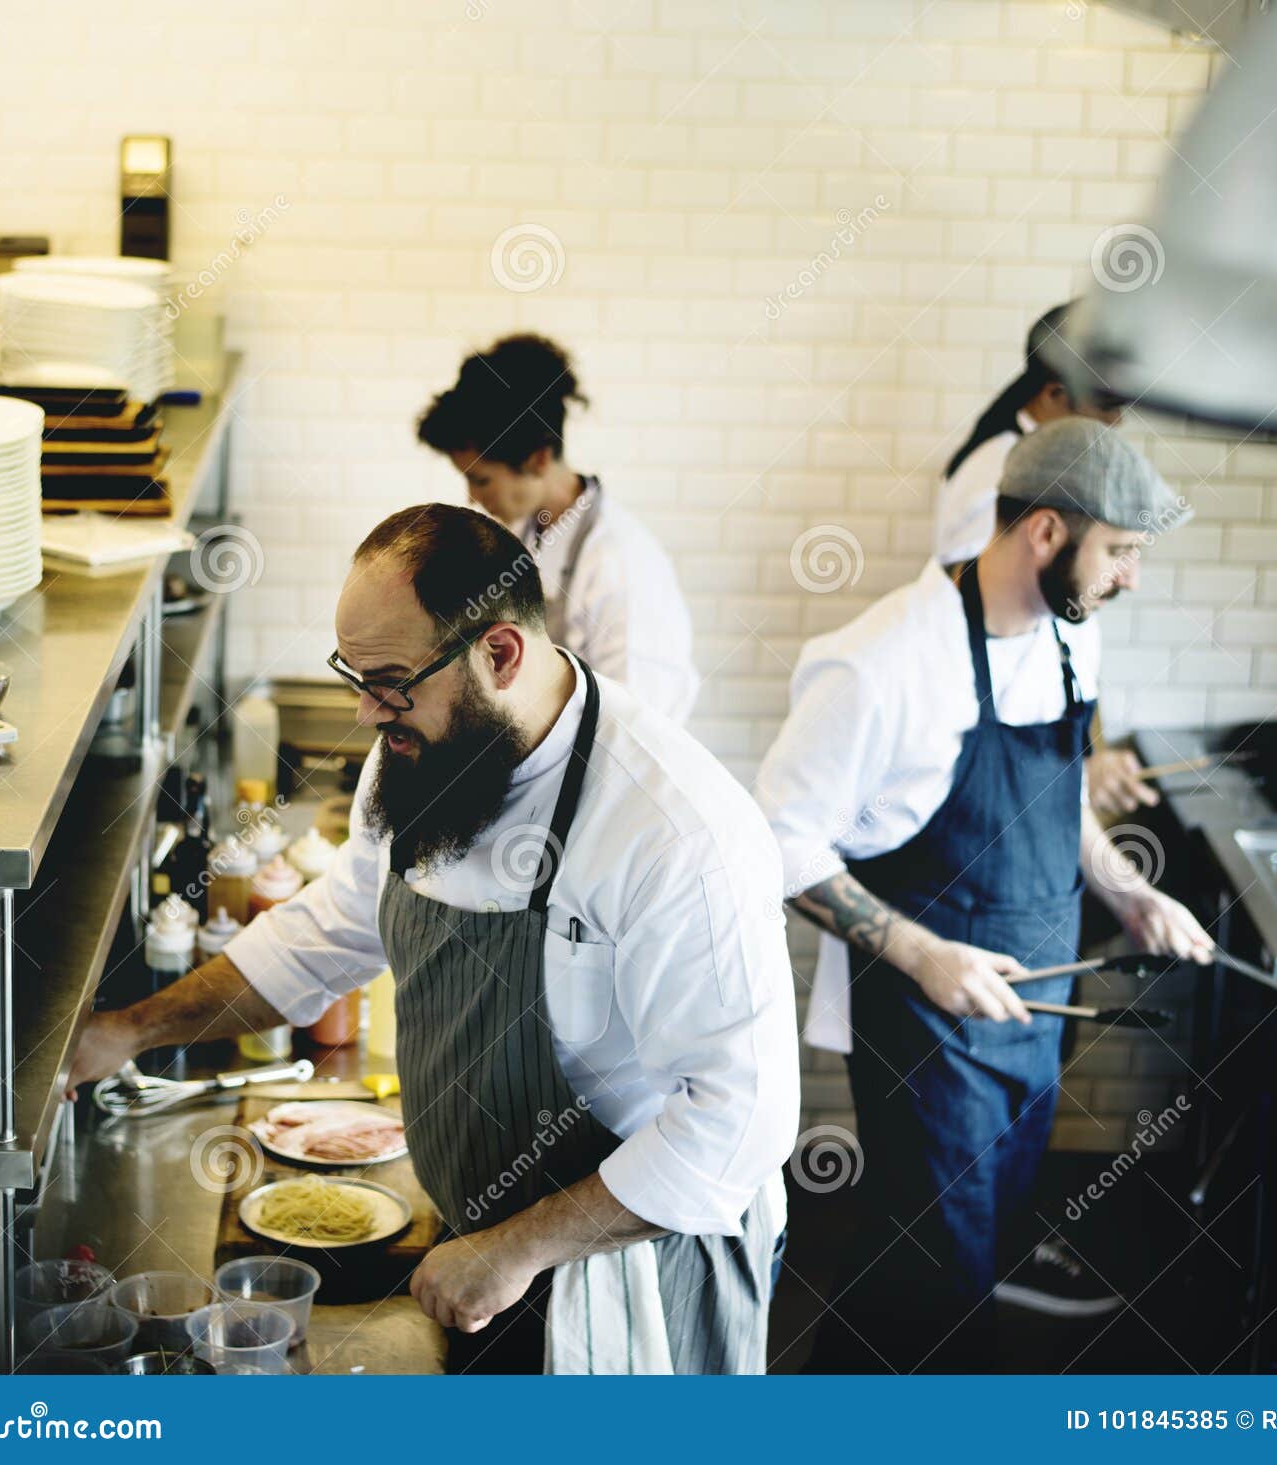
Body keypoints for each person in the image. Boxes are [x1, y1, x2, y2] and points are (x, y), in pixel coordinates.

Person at [69, 504, 797, 1374]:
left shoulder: (676, 832)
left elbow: (738, 1124)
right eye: (355, 677)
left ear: (499, 653)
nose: (372, 712)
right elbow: (336, 927)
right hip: (479, 1246)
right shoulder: (423, 749)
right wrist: (133, 1028)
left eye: (391, 681)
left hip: (629, 1268)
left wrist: (517, 1247)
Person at [755, 418, 1215, 1372]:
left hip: (1034, 1011)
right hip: (931, 1025)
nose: (1133, 575)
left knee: (963, 1255)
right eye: (1122, 551)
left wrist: (1128, 892)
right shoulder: (882, 661)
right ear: (1045, 532)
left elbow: (1058, 803)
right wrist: (925, 954)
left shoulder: (1068, 640)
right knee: (939, 1274)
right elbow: (780, 841)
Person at [416, 334, 700, 724]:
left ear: (538, 459)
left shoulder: (619, 563)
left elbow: (638, 723)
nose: (471, 498)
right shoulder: (523, 532)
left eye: (481, 480)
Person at [938, 301, 1153, 818]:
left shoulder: (1042, 460)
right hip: (1002, 750)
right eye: (1106, 405)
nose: (1117, 420)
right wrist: (1080, 765)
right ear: (1054, 395)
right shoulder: (997, 475)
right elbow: (993, 624)